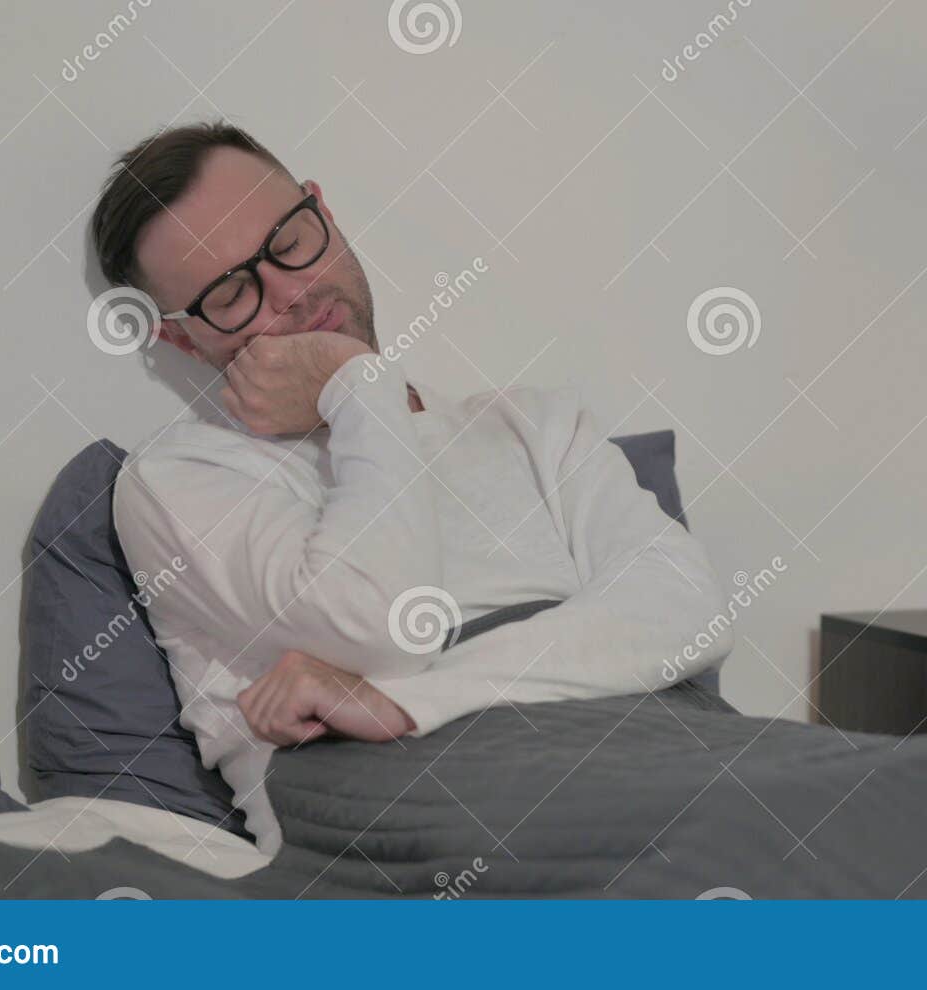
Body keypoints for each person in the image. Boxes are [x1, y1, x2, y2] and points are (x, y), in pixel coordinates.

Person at [89, 121, 734, 854]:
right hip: (410, 796)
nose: (291, 295)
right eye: (233, 292)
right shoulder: (180, 479)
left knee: (869, 796)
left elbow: (691, 609)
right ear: (182, 339)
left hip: (663, 742)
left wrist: (401, 701)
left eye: (291, 242)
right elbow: (386, 627)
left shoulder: (535, 424)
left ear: (323, 213)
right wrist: (358, 384)